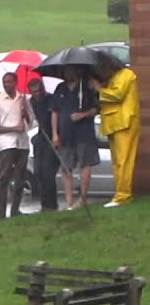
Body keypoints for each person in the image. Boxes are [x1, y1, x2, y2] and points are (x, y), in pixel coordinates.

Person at [91, 54, 139, 207]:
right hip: (114, 123)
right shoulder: (112, 78)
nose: (101, 72)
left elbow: (117, 95)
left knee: (124, 160)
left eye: (101, 69)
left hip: (124, 122)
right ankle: (120, 194)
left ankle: (123, 196)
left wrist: (99, 89)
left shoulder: (126, 75)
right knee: (117, 161)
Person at [52, 66, 100, 210]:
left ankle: (83, 198)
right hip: (65, 135)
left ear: (77, 71)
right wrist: (55, 133)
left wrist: (82, 115)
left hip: (84, 134)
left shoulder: (86, 87)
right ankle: (69, 202)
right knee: (66, 167)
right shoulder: (60, 88)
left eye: (70, 71)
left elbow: (97, 108)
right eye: (66, 71)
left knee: (85, 164)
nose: (68, 74)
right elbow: (55, 112)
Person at [0, 73, 33, 219]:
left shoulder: (23, 99)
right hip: (7, 143)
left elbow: (31, 121)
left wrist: (25, 112)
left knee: (20, 178)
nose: (7, 85)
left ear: (16, 82)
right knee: (4, 178)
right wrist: (13, 128)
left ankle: (15, 209)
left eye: (9, 82)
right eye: (4, 82)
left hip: (22, 143)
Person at [26, 77, 58, 211]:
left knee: (48, 172)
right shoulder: (31, 102)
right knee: (38, 171)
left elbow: (54, 116)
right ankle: (44, 204)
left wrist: (55, 135)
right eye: (34, 92)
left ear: (43, 88)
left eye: (39, 90)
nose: (37, 94)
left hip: (51, 137)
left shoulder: (50, 99)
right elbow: (29, 122)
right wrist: (25, 111)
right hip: (41, 138)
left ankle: (51, 204)